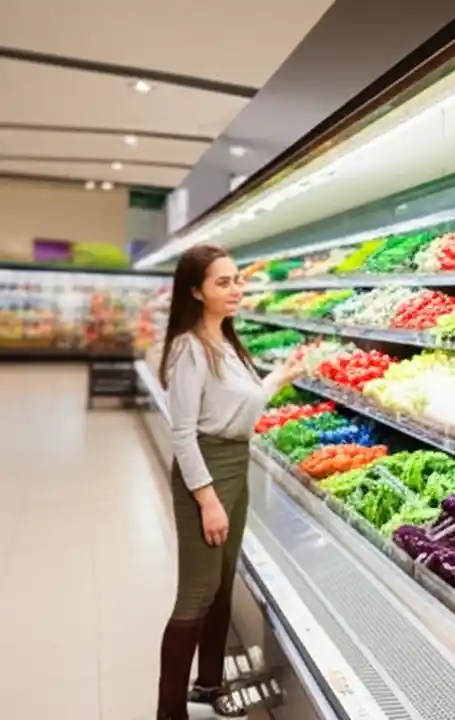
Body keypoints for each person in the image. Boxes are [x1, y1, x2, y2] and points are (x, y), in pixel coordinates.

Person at [155, 244, 302, 719]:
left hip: (235, 463)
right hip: (207, 468)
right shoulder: (189, 348)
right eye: (223, 282)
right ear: (196, 291)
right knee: (196, 591)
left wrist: (283, 376)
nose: (236, 289)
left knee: (221, 582)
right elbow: (182, 432)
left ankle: (210, 683)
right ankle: (168, 711)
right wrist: (206, 498)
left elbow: (246, 403)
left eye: (237, 279)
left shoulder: (228, 343)